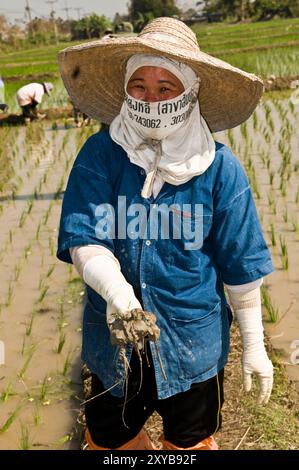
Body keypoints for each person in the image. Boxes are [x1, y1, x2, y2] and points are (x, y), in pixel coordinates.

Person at [57, 17, 274, 451]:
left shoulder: (219, 169)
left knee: (190, 443)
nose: (150, 97)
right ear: (124, 90)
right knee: (111, 441)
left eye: (166, 86)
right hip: (114, 341)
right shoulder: (101, 154)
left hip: (194, 341)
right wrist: (118, 294)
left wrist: (254, 345)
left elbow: (241, 262)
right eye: (138, 84)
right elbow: (85, 238)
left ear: (190, 92)